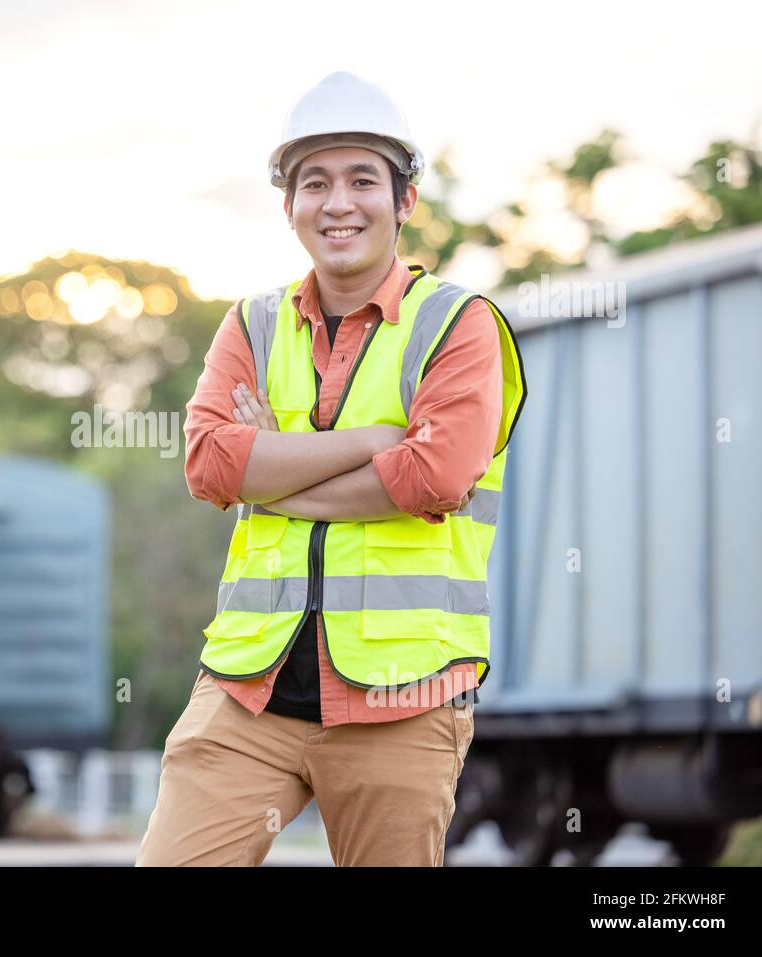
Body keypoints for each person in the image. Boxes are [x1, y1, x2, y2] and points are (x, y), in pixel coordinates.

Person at [136, 71, 527, 866]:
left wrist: (274, 471)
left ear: (405, 200)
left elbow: (434, 478)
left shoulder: (460, 325)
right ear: (289, 206)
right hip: (248, 690)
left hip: (404, 696)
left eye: (362, 180)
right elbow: (212, 463)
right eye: (315, 182)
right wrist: (374, 438)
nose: (338, 202)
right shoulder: (252, 323)